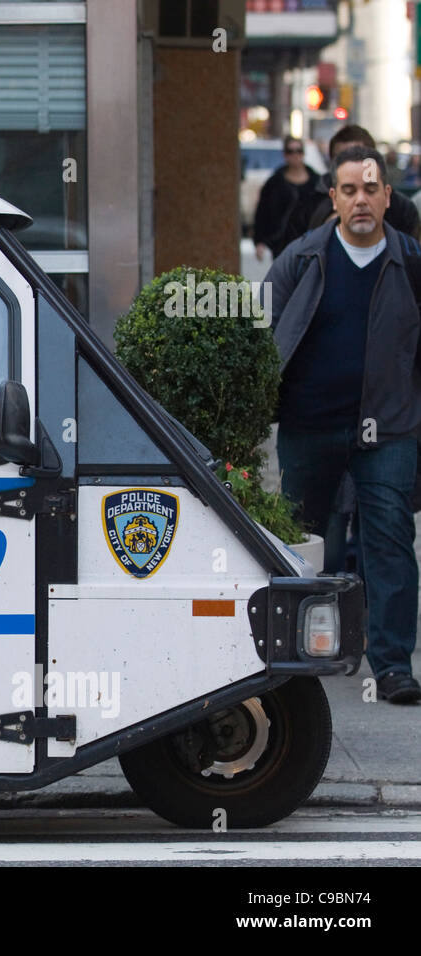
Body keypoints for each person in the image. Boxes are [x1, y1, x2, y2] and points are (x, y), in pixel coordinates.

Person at [265, 145, 421, 704]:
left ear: (387, 197)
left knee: (390, 541)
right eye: (350, 190)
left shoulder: (410, 261)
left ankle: (393, 666)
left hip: (388, 428)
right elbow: (263, 335)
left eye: (371, 190)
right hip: (310, 427)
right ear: (333, 197)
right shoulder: (302, 259)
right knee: (306, 542)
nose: (361, 200)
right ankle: (297, 658)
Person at [301, 125, 420, 239]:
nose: (360, 200)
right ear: (334, 198)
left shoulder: (402, 209)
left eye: (359, 157)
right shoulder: (309, 204)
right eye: (343, 159)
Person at [253, 137, 322, 262]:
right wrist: (259, 242)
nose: (295, 155)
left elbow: (324, 213)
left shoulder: (317, 182)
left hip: (310, 245)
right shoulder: (274, 183)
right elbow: (262, 213)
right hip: (281, 246)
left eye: (299, 151)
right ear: (284, 154)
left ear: (303, 153)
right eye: (290, 151)